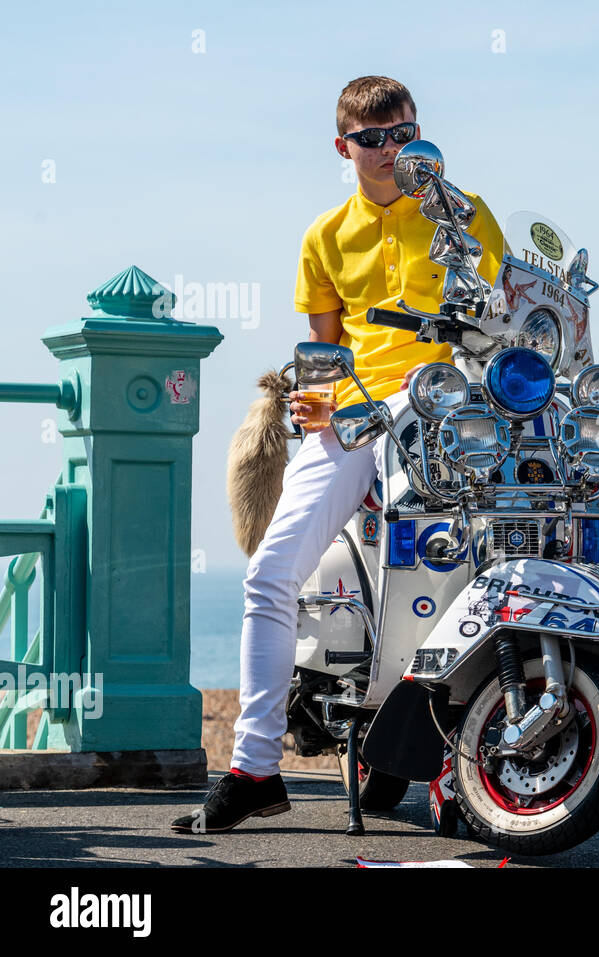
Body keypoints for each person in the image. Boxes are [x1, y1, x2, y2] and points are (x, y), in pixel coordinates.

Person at [171, 76, 504, 833]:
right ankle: (255, 766)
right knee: (270, 571)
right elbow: (324, 347)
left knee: (463, 573)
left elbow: (506, 315)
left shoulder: (464, 212)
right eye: (375, 138)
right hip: (355, 406)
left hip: (444, 403)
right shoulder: (325, 234)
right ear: (343, 147)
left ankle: (458, 764)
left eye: (405, 134)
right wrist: (314, 399)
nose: (393, 150)